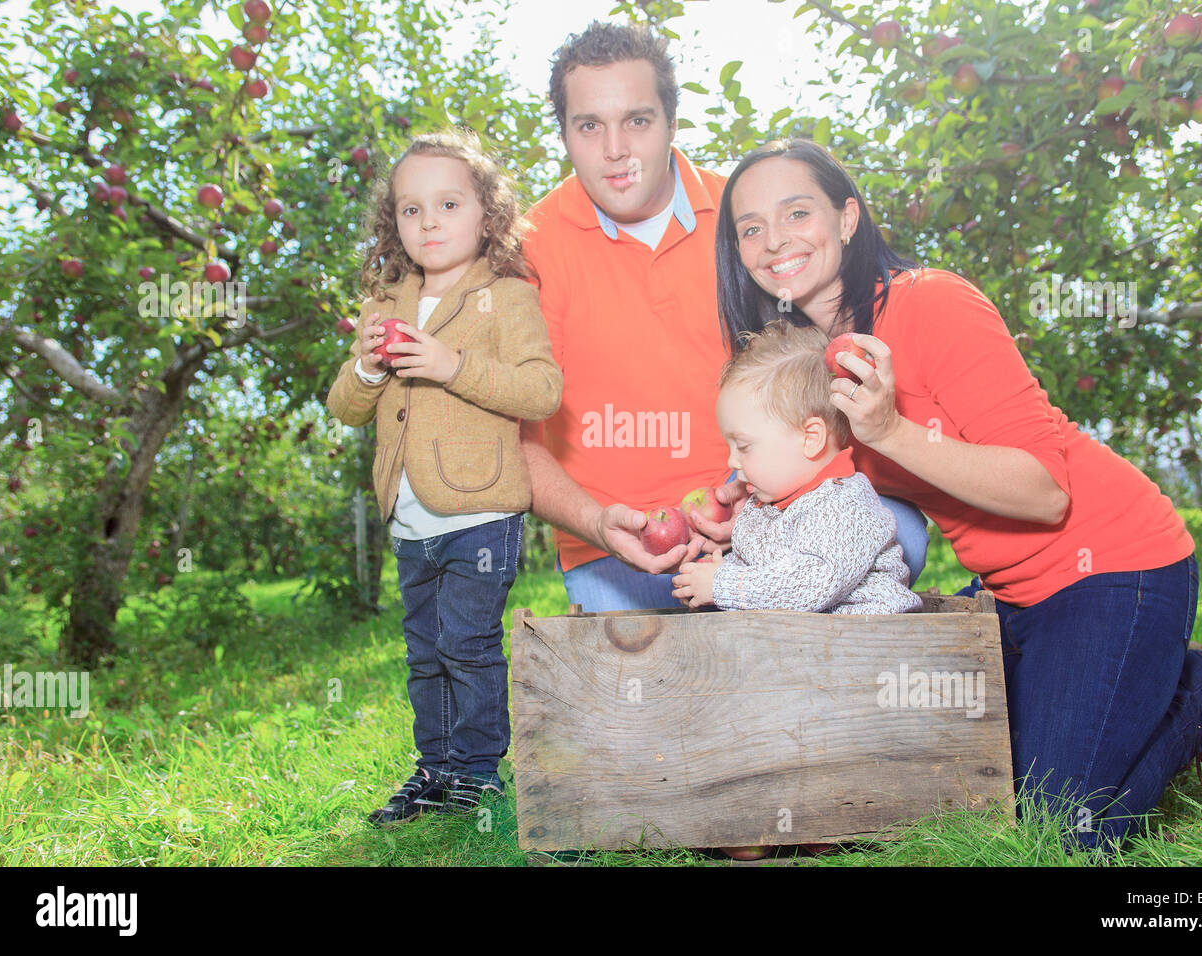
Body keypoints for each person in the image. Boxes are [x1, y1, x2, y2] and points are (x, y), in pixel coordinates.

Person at [709, 136, 1202, 847]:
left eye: (797, 213)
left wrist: (889, 430)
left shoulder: (932, 304)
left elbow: (1046, 494)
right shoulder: (807, 361)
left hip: (1116, 565)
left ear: (849, 218)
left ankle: (1200, 694)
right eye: (751, 228)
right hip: (1010, 594)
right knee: (962, 788)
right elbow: (833, 489)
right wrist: (752, 507)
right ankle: (1122, 688)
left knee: (1055, 832)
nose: (775, 241)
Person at [520, 21, 929, 614]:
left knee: (888, 536)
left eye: (637, 120)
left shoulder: (751, 219)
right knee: (647, 693)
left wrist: (765, 500)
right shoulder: (528, 249)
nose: (616, 149)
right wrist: (594, 522)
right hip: (618, 549)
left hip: (783, 517)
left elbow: (824, 367)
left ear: (671, 122)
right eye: (589, 126)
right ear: (563, 133)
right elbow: (512, 442)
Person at [326, 129, 563, 825]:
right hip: (408, 515)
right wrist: (369, 366)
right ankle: (433, 768)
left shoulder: (507, 297)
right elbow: (344, 408)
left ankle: (478, 772)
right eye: (410, 209)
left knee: (467, 643)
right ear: (392, 224)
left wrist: (451, 365)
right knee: (424, 651)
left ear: (487, 216)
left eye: (449, 204)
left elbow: (542, 391)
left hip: (479, 511)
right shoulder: (384, 305)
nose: (429, 221)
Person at [672, 321, 921, 616]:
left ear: (811, 438)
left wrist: (724, 584)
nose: (732, 462)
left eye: (744, 446)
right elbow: (763, 577)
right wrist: (715, 578)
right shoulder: (761, 507)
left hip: (864, 649)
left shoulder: (846, 507)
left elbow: (811, 583)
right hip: (803, 647)